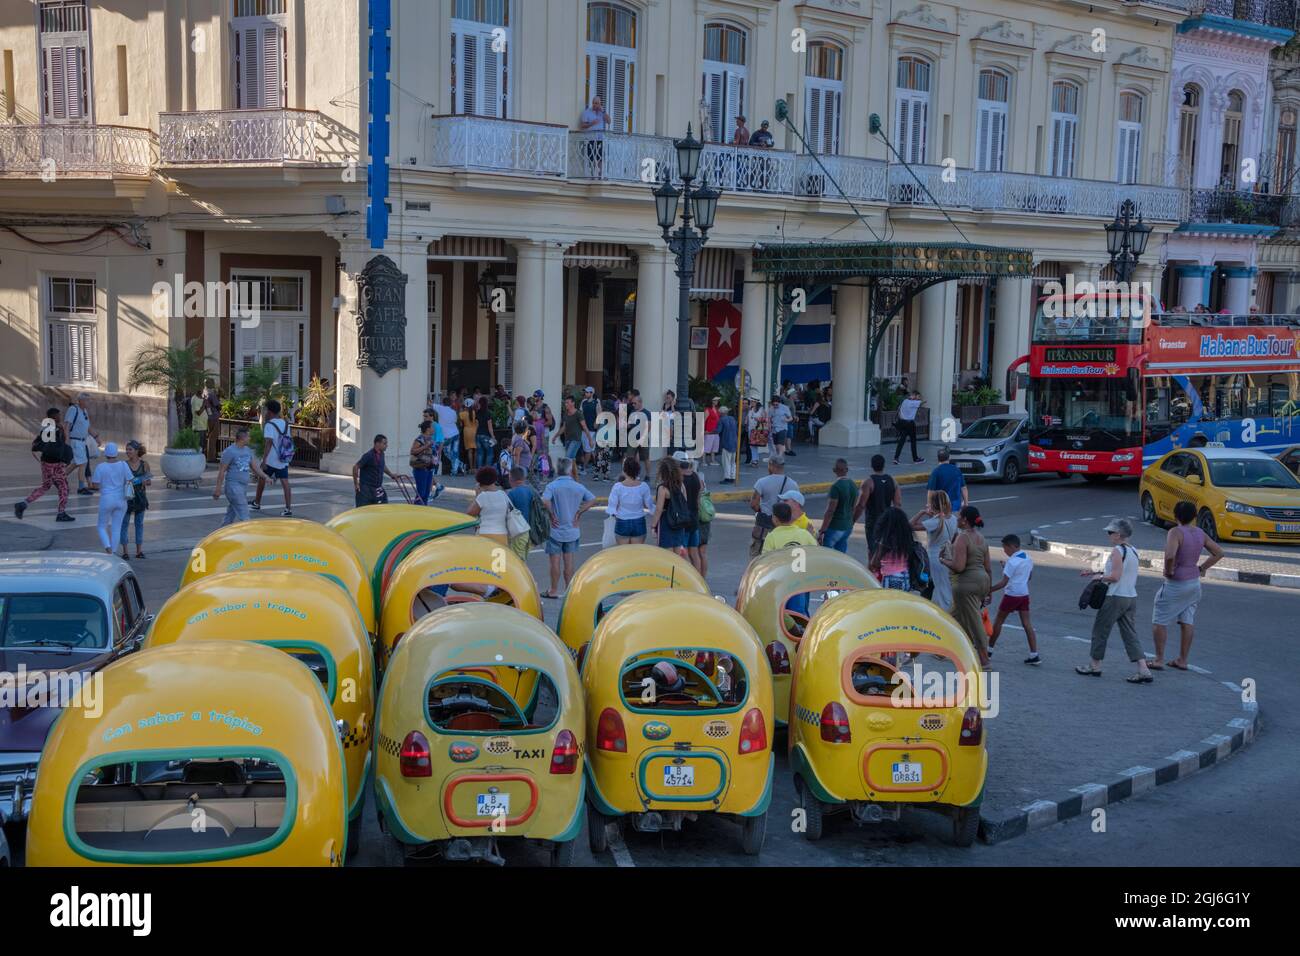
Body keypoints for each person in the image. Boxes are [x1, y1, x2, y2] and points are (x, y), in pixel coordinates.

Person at [1076, 519, 1154, 683]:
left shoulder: (1117, 551)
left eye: (1110, 532)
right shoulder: (1133, 550)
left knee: (1100, 630)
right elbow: (1122, 572)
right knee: (1129, 633)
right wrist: (1095, 572)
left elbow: (1115, 577)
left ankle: (1095, 665)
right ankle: (1143, 669)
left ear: (1118, 535)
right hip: (1130, 597)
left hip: (1115, 597)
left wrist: (1100, 577)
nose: (1108, 535)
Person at [1151, 500, 1224, 671]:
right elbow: (1219, 552)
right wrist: (1202, 568)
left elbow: (1170, 556)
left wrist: (1169, 571)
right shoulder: (1200, 533)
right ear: (1194, 517)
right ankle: (1183, 660)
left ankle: (1159, 659)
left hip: (1176, 583)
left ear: (1175, 515)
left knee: (1159, 619)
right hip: (1194, 583)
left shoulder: (1175, 532)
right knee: (1187, 620)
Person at [940, 505, 993, 668]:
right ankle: (942, 650)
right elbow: (988, 567)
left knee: (973, 619)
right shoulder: (981, 538)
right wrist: (988, 591)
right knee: (953, 616)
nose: (956, 518)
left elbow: (958, 567)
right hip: (982, 581)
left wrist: (943, 560)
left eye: (958, 516)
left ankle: (984, 659)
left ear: (964, 520)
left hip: (966, 585)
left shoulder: (963, 538)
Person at [542, 458, 597, 599]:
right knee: (569, 561)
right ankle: (568, 590)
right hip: (572, 530)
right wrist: (579, 512)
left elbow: (545, 500)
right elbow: (592, 499)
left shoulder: (552, 486)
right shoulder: (578, 487)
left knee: (554, 562)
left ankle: (553, 589)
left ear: (557, 470)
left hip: (555, 530)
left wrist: (552, 514)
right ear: (570, 470)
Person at [988, 533, 1041, 664]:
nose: (1004, 551)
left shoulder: (1011, 562)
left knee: (998, 621)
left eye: (1005, 548)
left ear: (1011, 546)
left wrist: (988, 590)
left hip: (1011, 595)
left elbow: (1003, 583)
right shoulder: (1028, 558)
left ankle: (988, 651)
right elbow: (1028, 577)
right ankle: (1034, 654)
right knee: (1027, 624)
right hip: (1024, 594)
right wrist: (1006, 568)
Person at [15, 407, 74, 522]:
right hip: (55, 464)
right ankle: (61, 513)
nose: (60, 416)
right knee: (64, 488)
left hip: (46, 463)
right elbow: (54, 447)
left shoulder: (49, 427)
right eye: (58, 415)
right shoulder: (52, 428)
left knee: (46, 486)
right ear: (53, 416)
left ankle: (23, 504)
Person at [911, 490, 956, 611]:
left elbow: (909, 525)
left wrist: (921, 513)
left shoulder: (935, 522)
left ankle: (944, 613)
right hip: (948, 557)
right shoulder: (953, 519)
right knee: (944, 587)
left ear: (933, 505)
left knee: (938, 589)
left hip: (934, 559)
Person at [213, 427, 267, 526]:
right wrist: (218, 489)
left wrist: (265, 477)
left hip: (243, 487)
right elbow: (222, 471)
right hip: (233, 486)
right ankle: (249, 535)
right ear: (243, 438)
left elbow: (254, 467)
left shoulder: (247, 450)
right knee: (244, 514)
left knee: (230, 515)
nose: (250, 438)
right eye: (249, 436)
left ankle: (221, 535)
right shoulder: (229, 451)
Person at [853, 454, 902, 560]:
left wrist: (852, 520)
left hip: (873, 523)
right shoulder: (893, 481)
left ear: (871, 465)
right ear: (884, 465)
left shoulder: (868, 482)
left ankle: (873, 573)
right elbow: (897, 504)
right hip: (888, 522)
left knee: (873, 551)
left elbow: (861, 505)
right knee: (886, 549)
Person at [252, 399, 294, 516]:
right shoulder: (285, 423)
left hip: (271, 460)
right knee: (285, 482)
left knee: (262, 478)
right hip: (283, 458)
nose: (264, 413)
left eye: (265, 411)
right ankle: (288, 508)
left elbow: (269, 443)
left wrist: (264, 460)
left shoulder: (269, 425)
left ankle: (257, 502)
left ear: (269, 412)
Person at [89, 442, 133, 555]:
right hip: (122, 499)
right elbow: (130, 480)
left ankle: (108, 548)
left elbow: (95, 485)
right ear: (116, 453)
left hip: (106, 499)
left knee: (101, 526)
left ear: (106, 454)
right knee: (116, 528)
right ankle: (113, 552)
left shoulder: (101, 467)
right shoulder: (123, 464)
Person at [749, 458, 797, 557]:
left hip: (764, 527)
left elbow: (753, 504)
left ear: (771, 465)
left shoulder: (762, 482)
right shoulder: (793, 484)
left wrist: (760, 511)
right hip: (785, 526)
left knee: (757, 557)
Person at [118, 440, 152, 559]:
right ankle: (125, 552)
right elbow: (120, 481)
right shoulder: (123, 465)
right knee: (124, 524)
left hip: (140, 498)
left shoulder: (144, 464)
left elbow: (149, 482)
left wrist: (144, 481)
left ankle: (139, 551)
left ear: (137, 451)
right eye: (127, 450)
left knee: (139, 524)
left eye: (130, 449)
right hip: (127, 498)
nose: (128, 452)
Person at [869, 507, 917, 592]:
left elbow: (874, 563)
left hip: (890, 577)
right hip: (905, 577)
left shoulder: (885, 540)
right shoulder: (906, 538)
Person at [609, 455, 654, 544]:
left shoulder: (617, 487)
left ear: (624, 471)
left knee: (624, 553)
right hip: (639, 521)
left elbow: (612, 507)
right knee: (637, 554)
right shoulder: (644, 486)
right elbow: (649, 505)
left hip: (622, 521)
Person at [651, 456, 690, 556]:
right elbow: (685, 502)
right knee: (677, 556)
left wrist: (653, 526)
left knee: (667, 556)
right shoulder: (681, 485)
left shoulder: (663, 488)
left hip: (666, 523)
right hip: (679, 523)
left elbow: (659, 509)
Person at [353, 434, 406, 507]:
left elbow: (382, 466)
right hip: (366, 488)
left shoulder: (381, 454)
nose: (386, 445)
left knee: (382, 506)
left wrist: (391, 475)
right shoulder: (368, 455)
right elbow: (356, 467)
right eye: (384, 443)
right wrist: (356, 484)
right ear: (377, 444)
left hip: (377, 487)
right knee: (364, 510)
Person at [817, 459, 857, 553]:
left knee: (827, 554)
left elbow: (830, 511)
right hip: (847, 527)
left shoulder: (836, 487)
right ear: (847, 470)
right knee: (841, 554)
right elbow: (854, 507)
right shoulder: (853, 485)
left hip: (835, 527)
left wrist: (822, 530)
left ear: (834, 470)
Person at [64, 391, 100, 495]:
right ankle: (81, 487)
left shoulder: (84, 411)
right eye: (87, 400)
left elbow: (87, 427)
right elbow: (67, 426)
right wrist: (66, 442)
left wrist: (96, 437)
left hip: (82, 442)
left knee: (76, 463)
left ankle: (59, 478)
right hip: (75, 441)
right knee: (83, 463)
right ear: (81, 400)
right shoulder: (73, 409)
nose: (89, 402)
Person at [676, 452, 706, 575]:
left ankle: (689, 577)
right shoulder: (696, 477)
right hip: (694, 517)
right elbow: (699, 498)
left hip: (684, 519)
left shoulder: (680, 479)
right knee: (694, 552)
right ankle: (697, 579)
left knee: (684, 552)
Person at [467, 465, 511, 546]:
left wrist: (477, 495)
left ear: (480, 482)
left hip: (484, 533)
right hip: (502, 534)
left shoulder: (482, 496)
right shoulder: (503, 494)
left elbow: (470, 513)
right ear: (494, 479)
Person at [505, 467, 537, 562]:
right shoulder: (531, 491)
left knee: (517, 562)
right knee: (523, 559)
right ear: (523, 478)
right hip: (529, 531)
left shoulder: (511, 494)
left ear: (511, 479)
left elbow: (507, 512)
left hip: (517, 531)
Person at [409, 421, 445, 505]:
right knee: (421, 493)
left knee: (426, 493)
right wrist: (426, 446)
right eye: (432, 427)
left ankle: (423, 511)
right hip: (420, 468)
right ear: (428, 429)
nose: (434, 429)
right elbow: (413, 451)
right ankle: (417, 510)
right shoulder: (420, 439)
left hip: (429, 469)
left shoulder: (431, 438)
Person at [927, 446, 969, 511]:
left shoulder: (936, 472)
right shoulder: (957, 470)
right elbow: (963, 488)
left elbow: (931, 491)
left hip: (941, 506)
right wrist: (966, 503)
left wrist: (929, 505)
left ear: (938, 459)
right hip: (955, 506)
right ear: (949, 458)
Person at [894, 391, 925, 466]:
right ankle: (915, 459)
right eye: (918, 396)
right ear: (914, 396)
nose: (919, 398)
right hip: (910, 423)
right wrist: (918, 399)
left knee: (901, 441)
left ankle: (896, 458)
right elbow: (923, 402)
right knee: (913, 441)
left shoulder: (904, 401)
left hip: (902, 423)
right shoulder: (914, 403)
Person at [433, 395, 462, 476]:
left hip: (446, 435)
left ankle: (458, 466)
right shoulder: (453, 412)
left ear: (443, 403)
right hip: (456, 434)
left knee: (447, 452)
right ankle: (455, 470)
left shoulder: (440, 408)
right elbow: (455, 421)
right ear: (450, 404)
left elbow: (430, 404)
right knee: (455, 452)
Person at [560, 395, 590, 467]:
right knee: (572, 459)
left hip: (576, 440)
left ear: (573, 403)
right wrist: (555, 436)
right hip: (568, 439)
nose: (565, 404)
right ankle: (574, 476)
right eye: (565, 403)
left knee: (567, 457)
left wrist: (590, 439)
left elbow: (584, 427)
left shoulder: (578, 414)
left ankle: (565, 475)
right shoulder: (565, 414)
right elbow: (564, 427)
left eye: (567, 402)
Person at [580, 386, 600, 473]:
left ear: (592, 393)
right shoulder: (583, 402)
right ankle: (597, 466)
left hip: (591, 429)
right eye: (585, 392)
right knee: (591, 449)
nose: (586, 393)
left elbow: (599, 415)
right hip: (583, 429)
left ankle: (584, 468)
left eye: (587, 392)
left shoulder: (596, 403)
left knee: (588, 450)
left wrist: (596, 424)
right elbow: (580, 413)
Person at [716, 404, 738, 483]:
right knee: (733, 462)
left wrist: (708, 432)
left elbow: (718, 430)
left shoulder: (721, 420)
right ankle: (733, 477)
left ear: (721, 413)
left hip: (726, 443)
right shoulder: (733, 419)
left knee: (726, 462)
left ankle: (727, 478)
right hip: (734, 442)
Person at [767, 395, 792, 460]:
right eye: (774, 404)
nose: (775, 406)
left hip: (782, 428)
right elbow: (769, 418)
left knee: (780, 444)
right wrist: (769, 426)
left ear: (779, 402)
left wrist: (786, 420)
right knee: (776, 445)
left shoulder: (785, 408)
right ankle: (780, 457)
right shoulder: (771, 409)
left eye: (776, 404)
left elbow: (791, 418)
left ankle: (780, 457)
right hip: (774, 429)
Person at [459, 398, 479, 471]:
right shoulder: (475, 412)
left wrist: (461, 409)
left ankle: (471, 468)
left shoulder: (462, 414)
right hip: (475, 431)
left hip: (467, 431)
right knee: (476, 449)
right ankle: (474, 466)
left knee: (469, 450)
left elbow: (461, 425)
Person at [476, 396, 495, 470]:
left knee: (480, 454)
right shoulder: (488, 413)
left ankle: (479, 470)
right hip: (486, 435)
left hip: (478, 435)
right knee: (490, 453)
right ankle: (487, 470)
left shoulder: (477, 413)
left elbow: (476, 425)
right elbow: (490, 427)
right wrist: (493, 437)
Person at [703, 397, 721, 466]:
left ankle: (713, 460)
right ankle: (703, 461)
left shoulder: (717, 409)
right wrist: (704, 430)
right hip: (709, 431)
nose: (716, 401)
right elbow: (704, 420)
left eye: (717, 400)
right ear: (711, 401)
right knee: (706, 447)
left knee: (714, 446)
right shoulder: (708, 409)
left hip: (716, 431)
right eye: (715, 400)